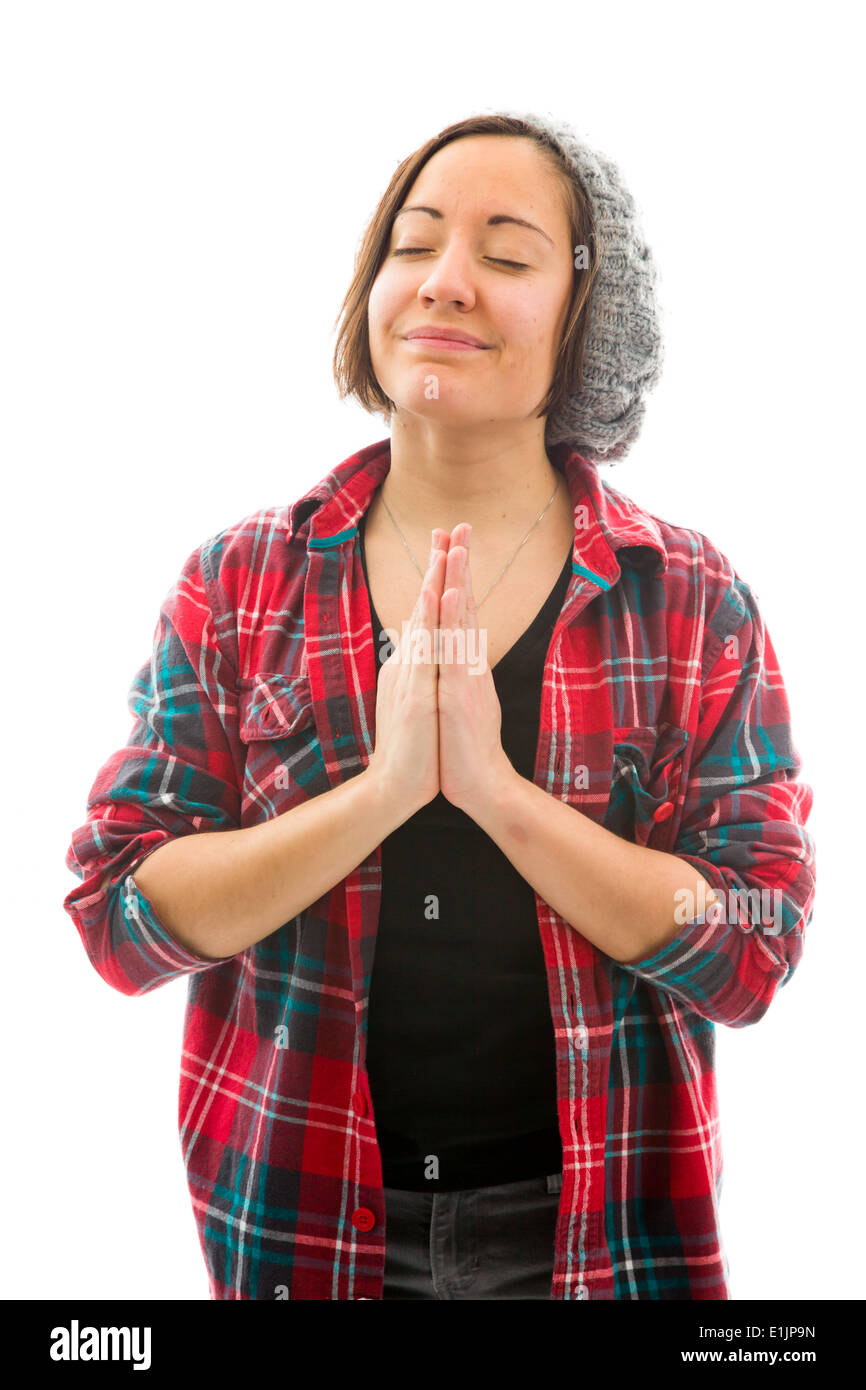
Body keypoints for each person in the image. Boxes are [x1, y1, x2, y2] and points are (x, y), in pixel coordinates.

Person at [64, 110, 816, 1301]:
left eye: (507, 255)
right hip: (297, 1237)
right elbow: (118, 914)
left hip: (601, 1248)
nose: (446, 282)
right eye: (413, 246)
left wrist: (495, 794)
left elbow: (751, 942)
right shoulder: (238, 582)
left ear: (585, 322)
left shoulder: (687, 599)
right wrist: (383, 792)